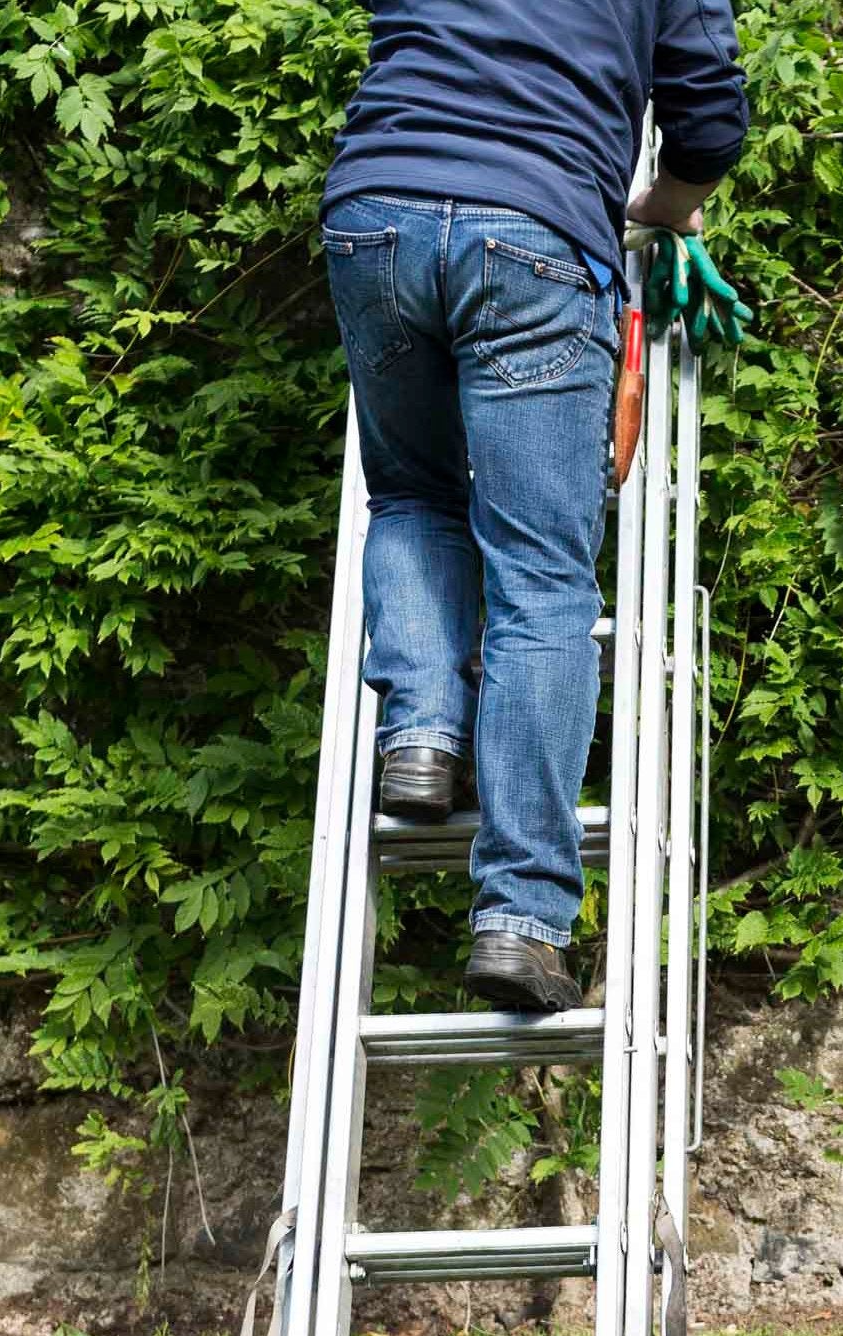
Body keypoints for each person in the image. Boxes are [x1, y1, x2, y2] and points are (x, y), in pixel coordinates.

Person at [320, 0, 748, 1011]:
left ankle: (421, 735)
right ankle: (521, 920)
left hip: (375, 212)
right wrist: (665, 206)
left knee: (412, 493)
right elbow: (709, 115)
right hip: (537, 231)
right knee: (543, 581)